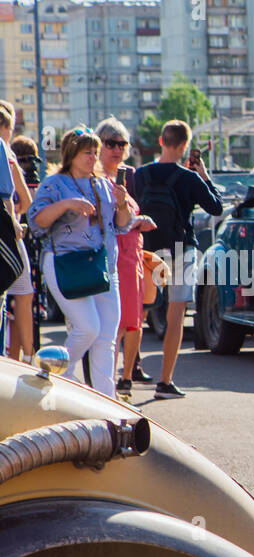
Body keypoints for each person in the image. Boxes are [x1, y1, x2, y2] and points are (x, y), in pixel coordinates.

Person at [27, 128, 135, 396]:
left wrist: (122, 205)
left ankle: (105, 403)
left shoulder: (103, 184)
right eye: (87, 152)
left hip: (102, 267)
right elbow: (36, 221)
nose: (93, 157)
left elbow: (121, 226)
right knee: (88, 328)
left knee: (106, 340)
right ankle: (51, 371)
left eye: (95, 152)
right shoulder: (54, 184)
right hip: (66, 265)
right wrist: (66, 204)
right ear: (71, 153)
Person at [133, 119, 223, 399]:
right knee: (176, 314)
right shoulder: (189, 178)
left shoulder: (140, 175)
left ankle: (129, 370)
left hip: (147, 250)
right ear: (185, 146)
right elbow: (216, 207)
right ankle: (165, 382)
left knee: (142, 306)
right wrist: (204, 175)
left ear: (161, 141)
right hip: (180, 251)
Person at [96, 117, 158, 397]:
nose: (117, 149)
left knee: (134, 321)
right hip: (113, 261)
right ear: (99, 146)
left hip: (132, 259)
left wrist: (138, 220)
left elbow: (125, 217)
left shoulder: (123, 177)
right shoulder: (95, 178)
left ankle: (126, 378)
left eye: (122, 144)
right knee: (113, 327)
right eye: (110, 143)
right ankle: (106, 385)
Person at [0, 101, 34, 362]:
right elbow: (21, 199)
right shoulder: (6, 153)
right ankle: (24, 358)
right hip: (9, 235)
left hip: (10, 232)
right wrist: (13, 218)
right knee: (22, 295)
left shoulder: (8, 154)